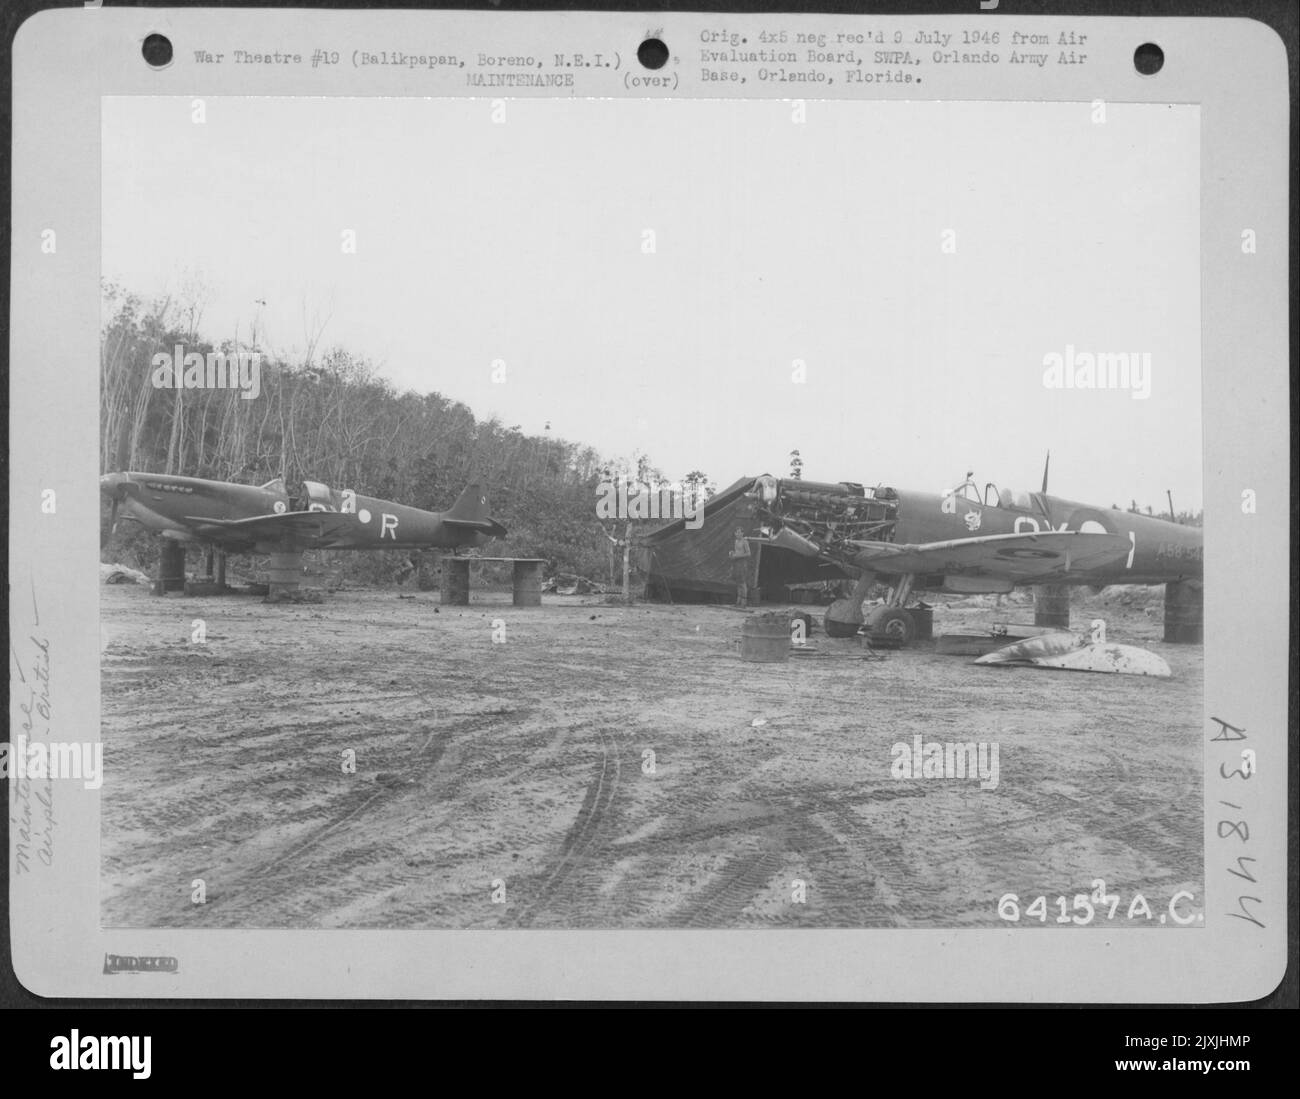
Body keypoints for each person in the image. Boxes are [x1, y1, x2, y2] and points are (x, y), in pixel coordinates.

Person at [728, 527, 752, 606]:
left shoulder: (745, 542)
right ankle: (738, 601)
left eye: (739, 532)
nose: (738, 534)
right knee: (738, 583)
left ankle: (744, 603)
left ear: (742, 533)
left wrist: (738, 556)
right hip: (736, 563)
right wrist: (732, 553)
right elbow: (737, 552)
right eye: (736, 532)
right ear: (735, 534)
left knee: (742, 583)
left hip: (742, 563)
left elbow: (748, 553)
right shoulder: (736, 541)